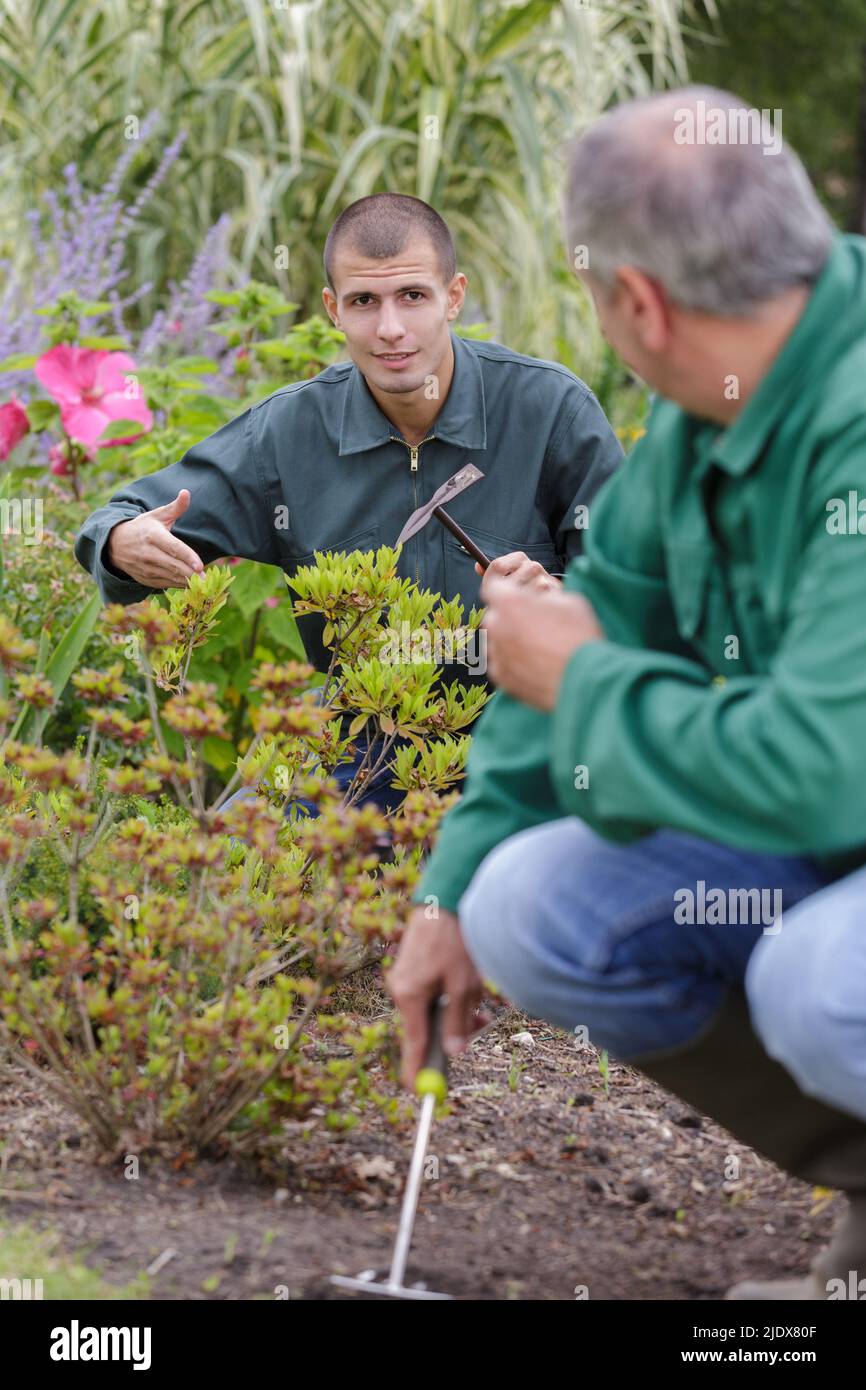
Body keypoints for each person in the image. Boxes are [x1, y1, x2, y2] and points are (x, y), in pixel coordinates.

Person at [388, 87, 866, 1300]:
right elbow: (599, 619)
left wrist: (584, 681)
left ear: (637, 301)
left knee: (819, 981)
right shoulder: (712, 409)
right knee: (533, 906)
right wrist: (447, 888)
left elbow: (820, 764)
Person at [74, 193, 622, 812]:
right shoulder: (288, 433)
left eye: (413, 296)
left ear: (455, 295)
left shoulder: (550, 412)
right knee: (234, 853)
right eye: (365, 301)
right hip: (354, 740)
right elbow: (120, 517)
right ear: (334, 309)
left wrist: (564, 603)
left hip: (524, 734)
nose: (390, 328)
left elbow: (637, 598)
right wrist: (122, 544)